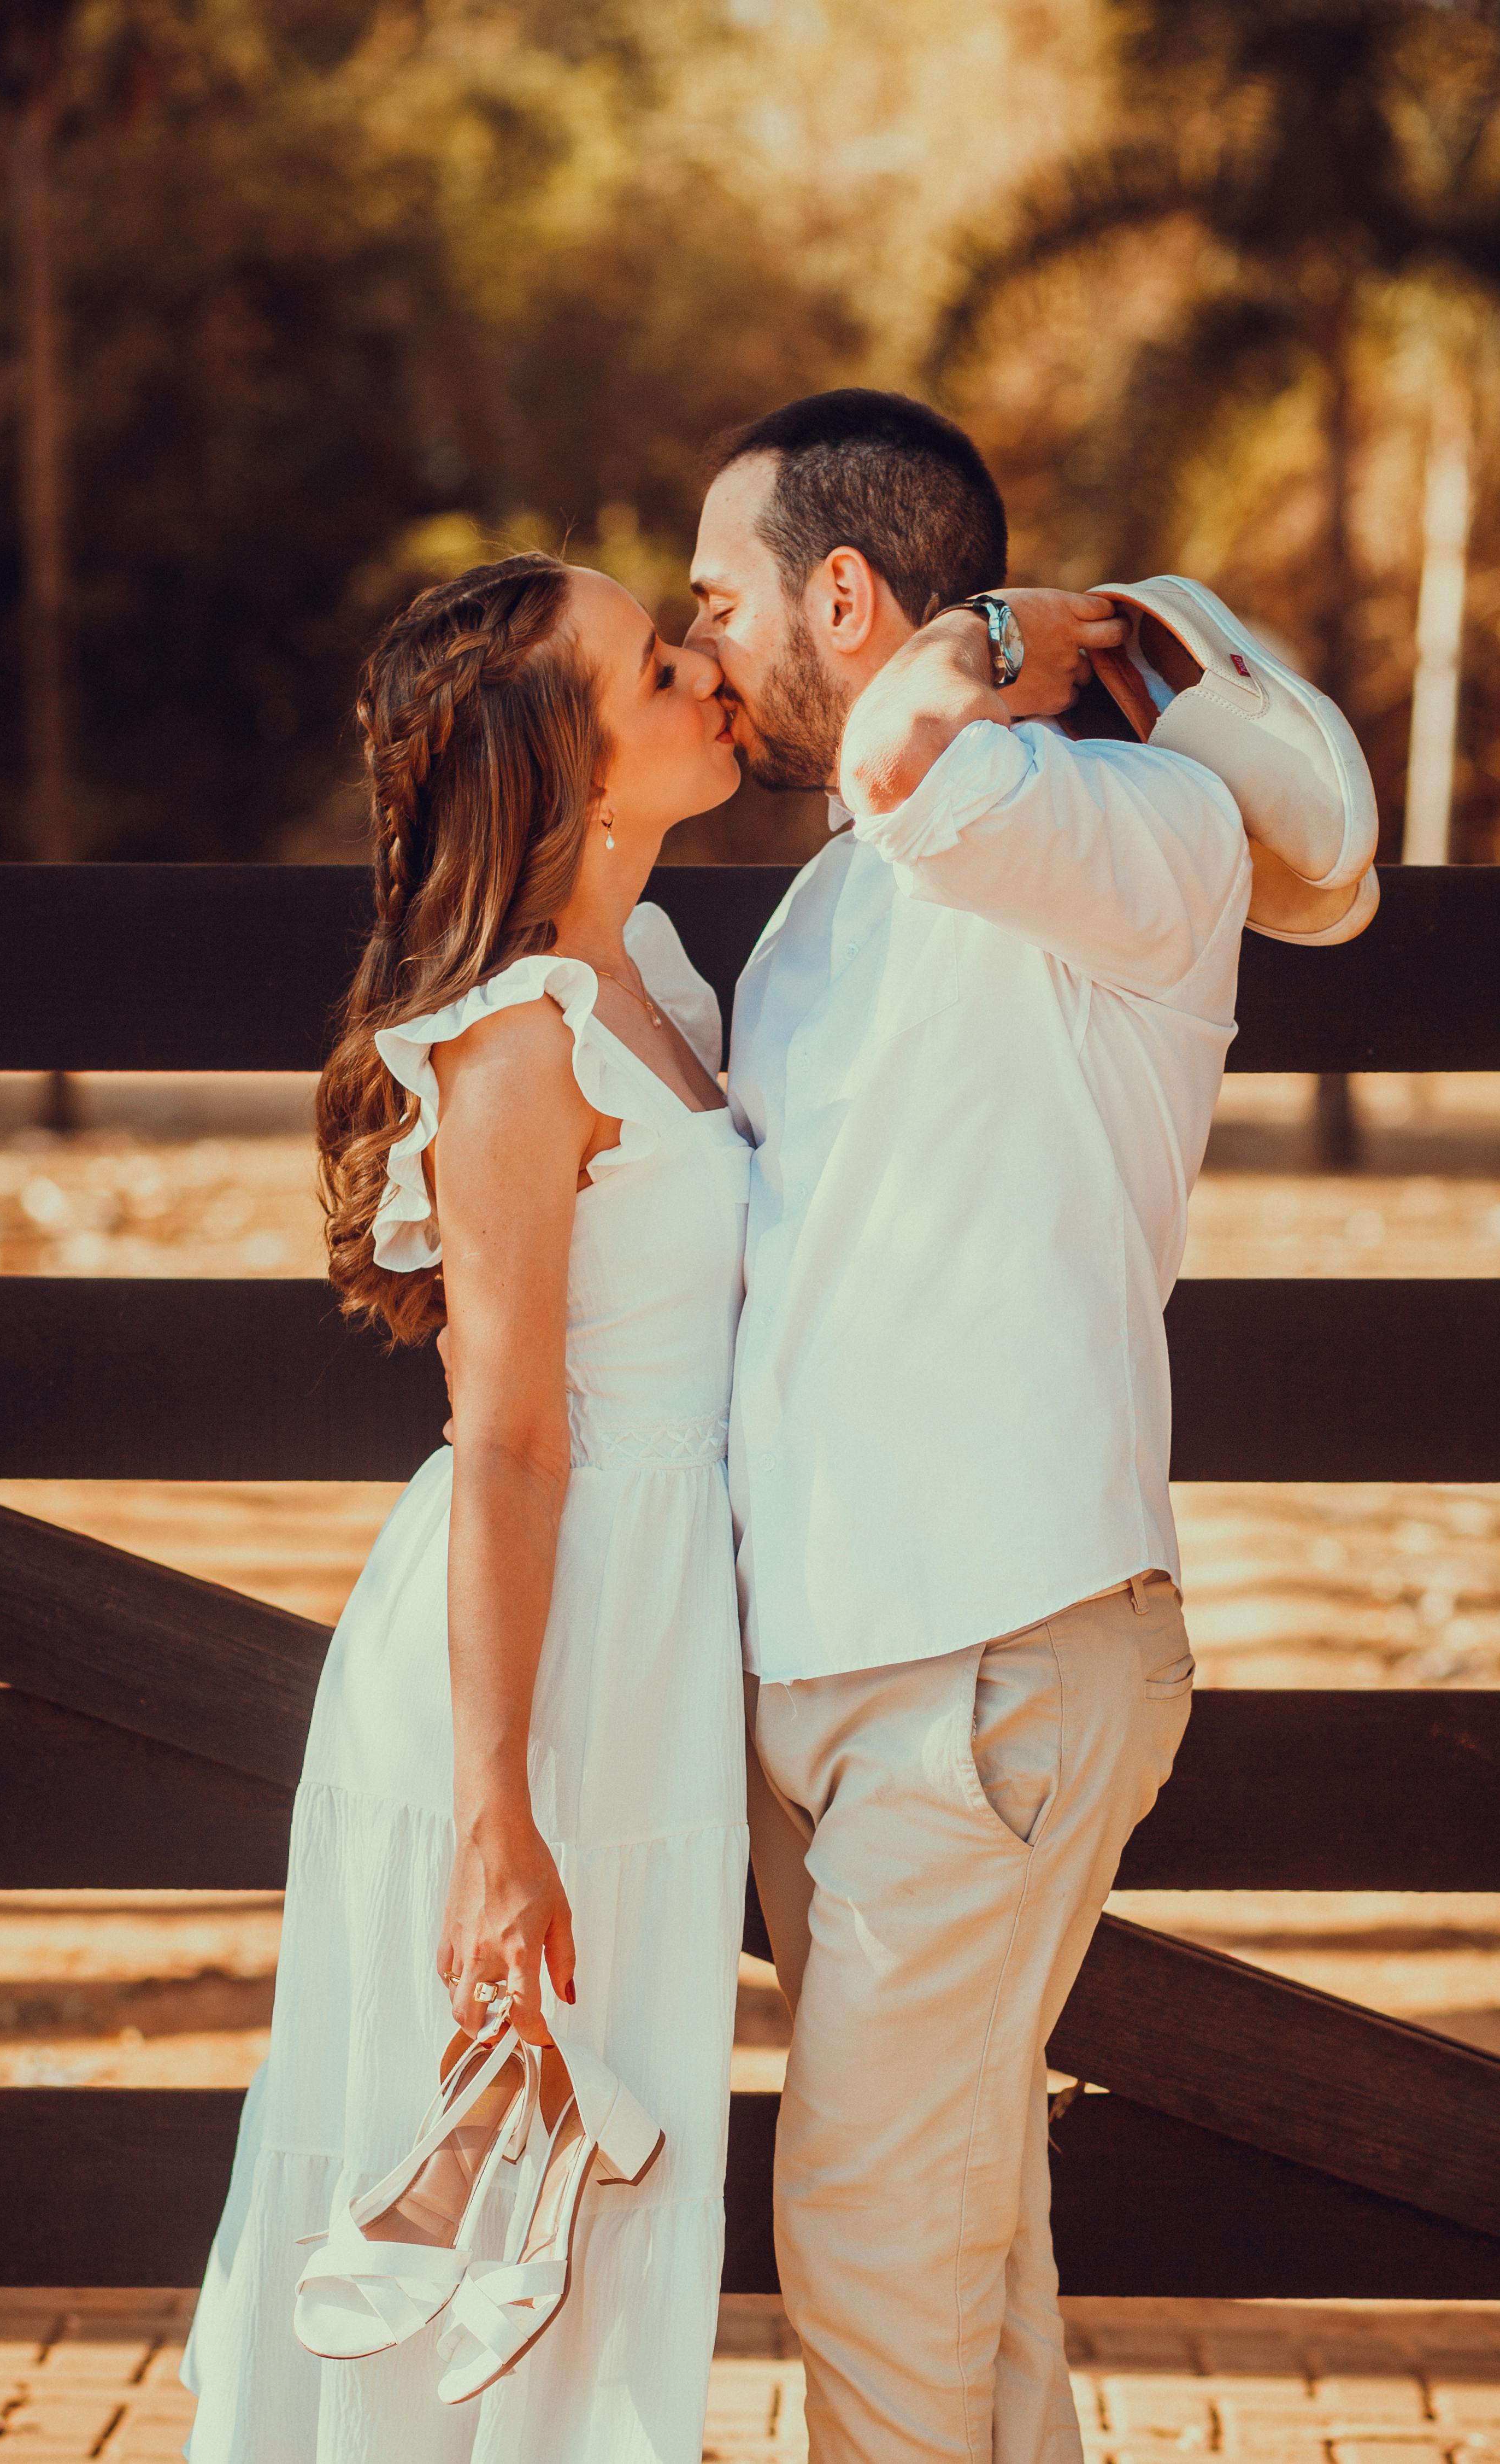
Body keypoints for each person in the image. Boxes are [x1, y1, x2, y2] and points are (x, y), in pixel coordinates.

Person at [683, 390, 1265, 2464]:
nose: (697, 642)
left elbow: (914, 756)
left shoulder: (1133, 834)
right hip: (825, 1674)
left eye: (721, 595)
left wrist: (1020, 630)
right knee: (960, 2232)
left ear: (846, 596)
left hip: (999, 1651)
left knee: (866, 2224)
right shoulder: (826, 917)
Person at [183, 550, 755, 2463]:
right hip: (533, 1653)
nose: (704, 674)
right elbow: (509, 1437)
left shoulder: (655, 977)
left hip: (656, 1641)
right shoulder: (522, 1044)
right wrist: (497, 1814)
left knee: (609, 2199)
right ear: (573, 771)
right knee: (468, 2220)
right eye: (659, 665)